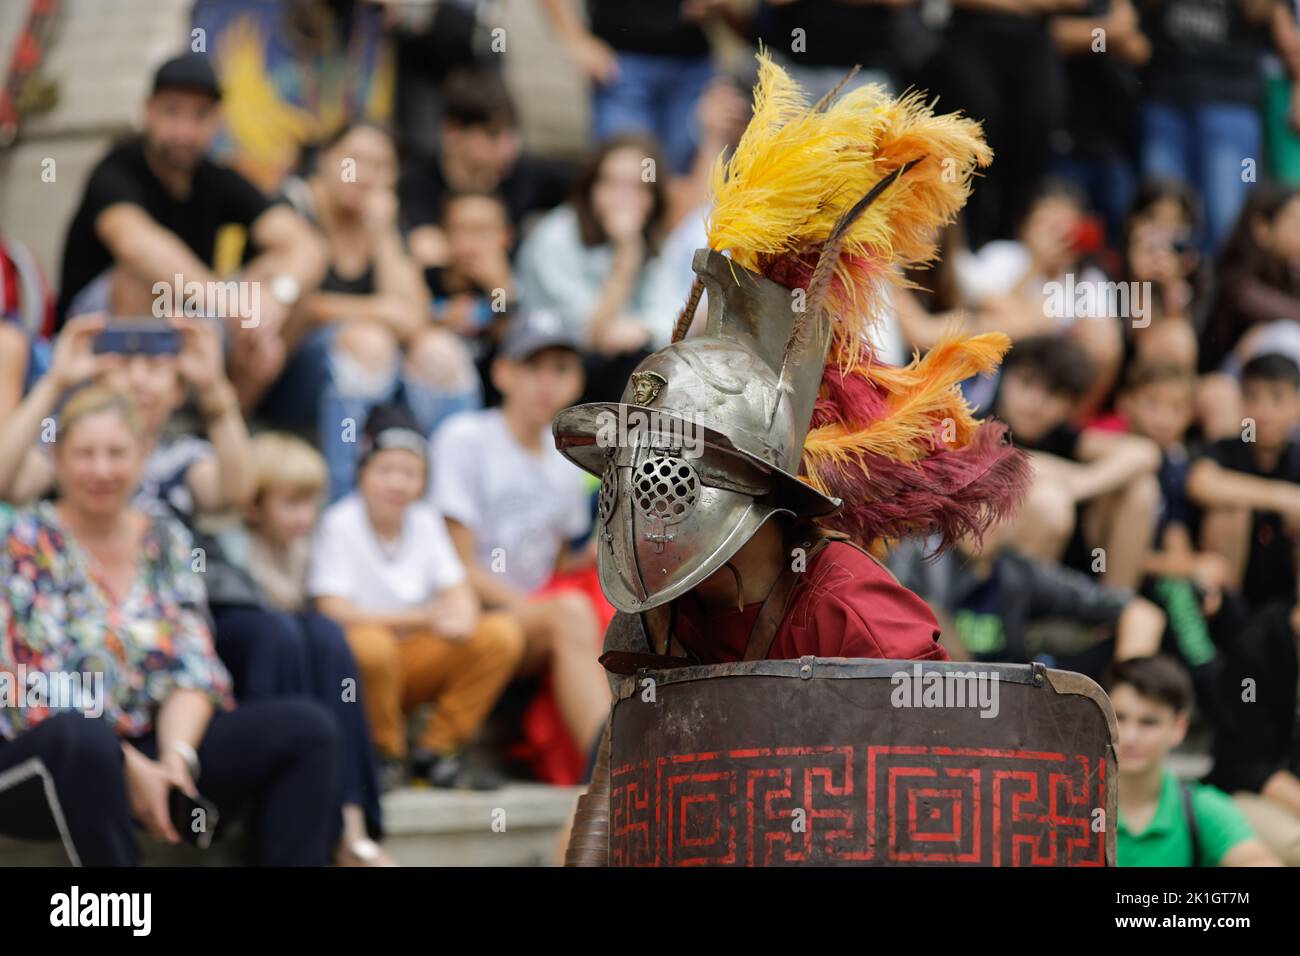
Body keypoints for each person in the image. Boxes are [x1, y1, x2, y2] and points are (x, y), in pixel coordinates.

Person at [557, 55, 1030, 863]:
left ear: (751, 489)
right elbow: (625, 777)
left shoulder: (849, 609)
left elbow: (947, 782)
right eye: (637, 475)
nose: (646, 501)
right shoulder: (656, 608)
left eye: (669, 477)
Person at [0, 386, 337, 866]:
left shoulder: (167, 538)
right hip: (47, 757)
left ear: (143, 457)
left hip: (150, 743)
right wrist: (129, 766)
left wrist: (176, 760)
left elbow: (192, 665)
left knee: (307, 729)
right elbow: (27, 684)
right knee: (88, 741)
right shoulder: (24, 539)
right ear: (56, 458)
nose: (101, 470)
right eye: (85, 454)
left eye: (117, 453)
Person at [53, 52, 326, 410]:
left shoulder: (218, 178)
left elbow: (307, 246)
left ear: (217, 122)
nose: (185, 131)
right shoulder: (116, 169)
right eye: (173, 111)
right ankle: (130, 426)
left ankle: (222, 420)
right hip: (98, 329)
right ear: (148, 111)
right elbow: (135, 244)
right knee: (143, 276)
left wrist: (276, 299)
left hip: (192, 316)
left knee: (284, 280)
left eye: (200, 116)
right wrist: (232, 304)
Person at [430, 311, 611, 782]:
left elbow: (554, 564)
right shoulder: (465, 438)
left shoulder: (567, 461)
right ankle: (611, 766)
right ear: (503, 372)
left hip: (533, 618)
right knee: (571, 611)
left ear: (577, 384)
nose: (546, 383)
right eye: (534, 367)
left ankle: (611, 755)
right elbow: (455, 565)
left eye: (561, 369)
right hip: (468, 612)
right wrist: (542, 606)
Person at [309, 404, 525, 790]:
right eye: (386, 471)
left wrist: (459, 614)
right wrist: (424, 618)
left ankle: (438, 751)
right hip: (363, 668)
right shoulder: (339, 522)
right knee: (370, 646)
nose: (397, 483)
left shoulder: (426, 521)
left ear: (423, 481)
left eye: (409, 473)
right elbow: (332, 609)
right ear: (363, 474)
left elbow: (458, 590)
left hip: (415, 658)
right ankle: (384, 753)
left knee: (500, 635)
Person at [266, 120, 481, 502]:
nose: (365, 176)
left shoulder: (382, 221)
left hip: (374, 370)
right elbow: (293, 305)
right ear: (326, 160)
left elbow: (413, 317)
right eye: (355, 160)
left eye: (380, 166)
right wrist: (376, 310)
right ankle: (348, 505)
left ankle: (449, 506)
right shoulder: (293, 207)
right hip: (288, 375)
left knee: (440, 353)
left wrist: (382, 234)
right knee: (369, 341)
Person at [223, 431, 392, 866]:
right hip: (256, 669)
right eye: (291, 503)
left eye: (310, 503)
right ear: (253, 506)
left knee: (328, 636)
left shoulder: (305, 548)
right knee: (285, 634)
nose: (305, 516)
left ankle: (352, 820)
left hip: (299, 657)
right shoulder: (230, 550)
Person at [515, 133, 683, 402]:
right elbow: (590, 337)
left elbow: (671, 319)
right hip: (549, 364)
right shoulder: (555, 237)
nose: (623, 198)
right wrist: (625, 256)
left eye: (639, 187)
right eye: (612, 183)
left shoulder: (652, 241)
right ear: (591, 187)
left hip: (622, 361)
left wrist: (643, 328)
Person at [989, 336, 1162, 592]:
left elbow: (1146, 453)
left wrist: (1078, 485)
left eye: (1052, 394)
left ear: (1069, 406)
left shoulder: (1062, 436)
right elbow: (1015, 467)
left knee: (1141, 488)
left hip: (1073, 556)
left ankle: (1115, 608)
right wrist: (1065, 482)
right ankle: (1018, 622)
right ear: (1004, 378)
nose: (1035, 402)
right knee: (1050, 504)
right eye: (1026, 383)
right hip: (997, 565)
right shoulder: (980, 425)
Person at [1135, 0, 1277, 251]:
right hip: (1165, 93)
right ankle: (1171, 290)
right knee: (1163, 217)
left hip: (1230, 96)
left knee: (1228, 222)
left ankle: (1227, 290)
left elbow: (1260, 10)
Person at [1108, 656, 1278, 866]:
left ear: (1179, 728)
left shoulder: (1203, 809)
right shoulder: (1073, 809)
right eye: (1118, 717)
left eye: (1149, 722)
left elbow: (1254, 859)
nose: (1130, 736)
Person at [398, 69, 572, 271]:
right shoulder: (412, 184)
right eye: (492, 135)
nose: (509, 150)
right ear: (452, 133)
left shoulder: (524, 174)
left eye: (512, 134)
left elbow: (591, 182)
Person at [539, 0, 734, 174]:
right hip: (619, 66)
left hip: (693, 66)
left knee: (691, 176)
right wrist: (576, 39)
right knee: (626, 171)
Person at [1188, 352, 1300, 611]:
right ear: (1240, 402)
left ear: (1296, 404)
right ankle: (1229, 618)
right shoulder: (1227, 449)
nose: (1264, 411)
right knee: (1228, 513)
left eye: (1277, 398)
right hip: (1228, 587)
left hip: (1284, 589)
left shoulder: (1295, 457)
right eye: (1253, 397)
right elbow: (1200, 483)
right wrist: (1282, 497)